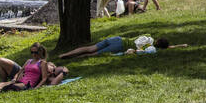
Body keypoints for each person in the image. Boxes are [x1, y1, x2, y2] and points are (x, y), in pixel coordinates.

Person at [59, 36, 187, 59]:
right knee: (93, 54)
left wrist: (181, 45)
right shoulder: (151, 48)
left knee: (90, 48)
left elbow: (168, 46)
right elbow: (168, 47)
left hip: (118, 38)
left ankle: (65, 54)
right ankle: (75, 58)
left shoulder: (148, 37)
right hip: (120, 45)